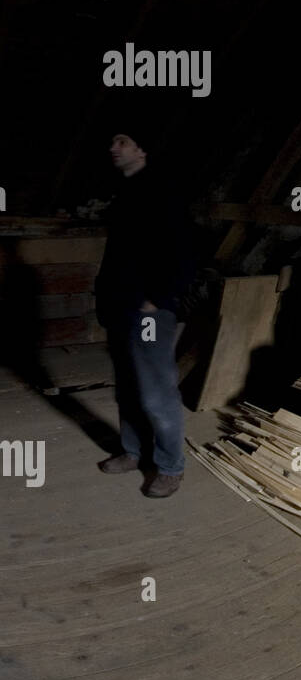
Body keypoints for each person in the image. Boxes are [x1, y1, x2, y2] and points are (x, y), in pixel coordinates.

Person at [93, 131, 200, 498]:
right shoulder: (125, 194)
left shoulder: (162, 190)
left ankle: (171, 466)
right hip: (121, 308)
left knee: (155, 391)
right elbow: (118, 258)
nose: (113, 147)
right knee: (127, 387)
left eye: (121, 141)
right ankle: (133, 452)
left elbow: (184, 250)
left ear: (143, 148)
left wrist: (157, 298)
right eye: (113, 142)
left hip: (149, 311)